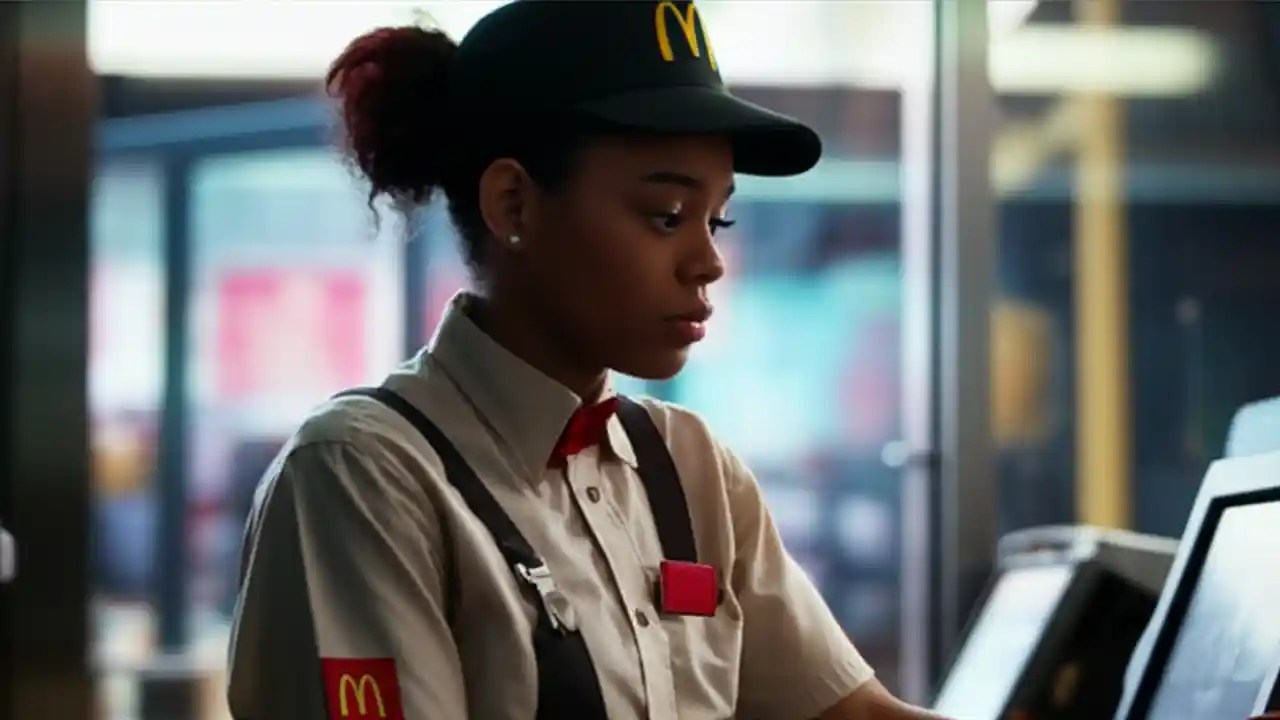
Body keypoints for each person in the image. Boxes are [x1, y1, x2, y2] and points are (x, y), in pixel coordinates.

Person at [226, 2, 949, 719]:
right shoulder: (367, 475)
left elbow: (848, 713)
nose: (707, 261)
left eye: (717, 217)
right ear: (513, 205)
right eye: (666, 216)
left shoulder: (691, 469)